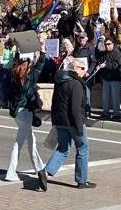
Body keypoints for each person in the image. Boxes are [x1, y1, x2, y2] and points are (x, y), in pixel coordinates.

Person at [39, 57, 95, 191]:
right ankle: (82, 180)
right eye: (82, 68)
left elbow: (55, 102)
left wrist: (55, 120)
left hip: (60, 120)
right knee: (82, 148)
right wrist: (79, 126)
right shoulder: (75, 84)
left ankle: (45, 172)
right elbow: (76, 108)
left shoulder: (60, 81)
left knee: (63, 148)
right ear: (75, 68)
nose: (84, 71)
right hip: (73, 121)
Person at [5, 51, 48, 182]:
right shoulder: (30, 78)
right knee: (18, 143)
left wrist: (18, 53)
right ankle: (11, 172)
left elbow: (16, 64)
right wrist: (42, 53)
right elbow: (40, 65)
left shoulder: (14, 76)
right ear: (28, 67)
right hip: (26, 113)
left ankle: (39, 167)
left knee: (31, 141)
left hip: (17, 112)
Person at [97, 37, 121, 121]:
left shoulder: (117, 53)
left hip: (115, 78)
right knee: (105, 97)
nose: (107, 46)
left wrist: (106, 65)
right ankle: (106, 113)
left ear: (113, 44)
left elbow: (116, 65)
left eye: (109, 44)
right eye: (106, 44)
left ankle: (116, 114)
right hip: (106, 78)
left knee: (115, 97)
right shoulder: (105, 53)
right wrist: (100, 65)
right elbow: (101, 60)